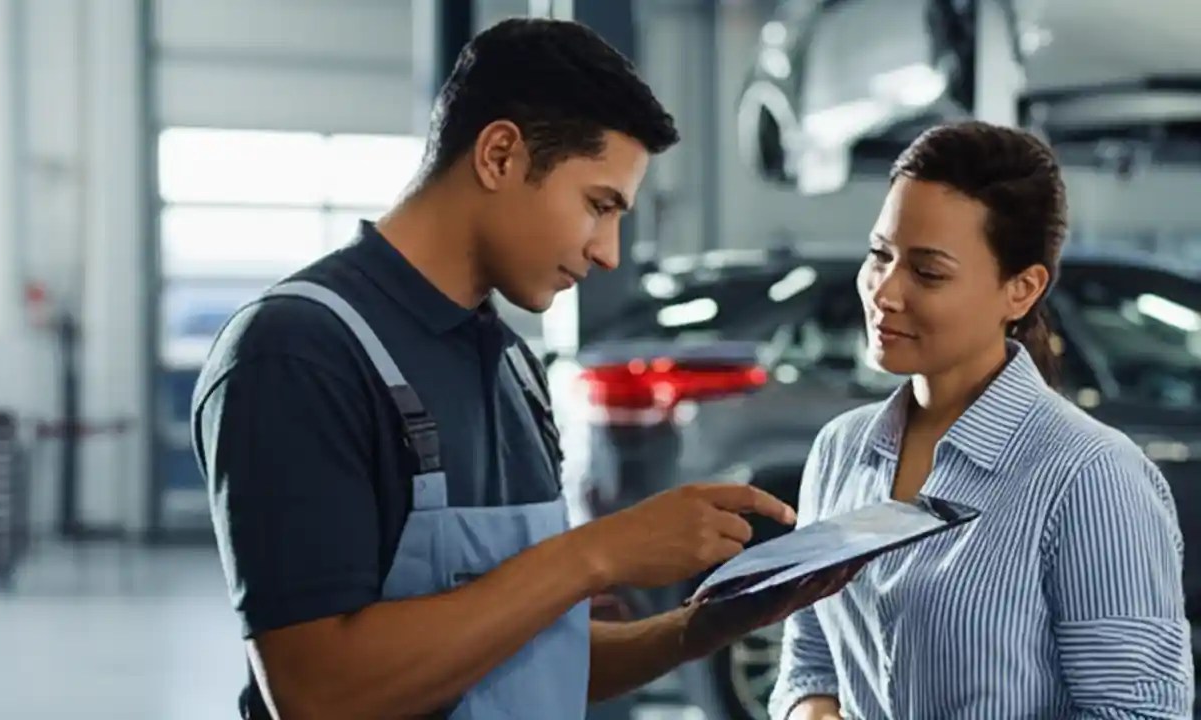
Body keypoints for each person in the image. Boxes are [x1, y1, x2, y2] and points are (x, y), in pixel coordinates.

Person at [191, 18, 851, 720]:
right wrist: (596, 553)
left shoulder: (512, 368)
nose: (609, 253)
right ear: (501, 155)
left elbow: (531, 654)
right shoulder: (298, 353)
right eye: (599, 206)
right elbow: (317, 693)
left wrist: (700, 627)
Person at [769, 120, 1195, 719]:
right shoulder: (841, 451)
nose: (885, 292)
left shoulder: (1091, 477)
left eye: (928, 272)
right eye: (879, 255)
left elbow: (1138, 714)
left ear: (1021, 290)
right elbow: (809, 664)